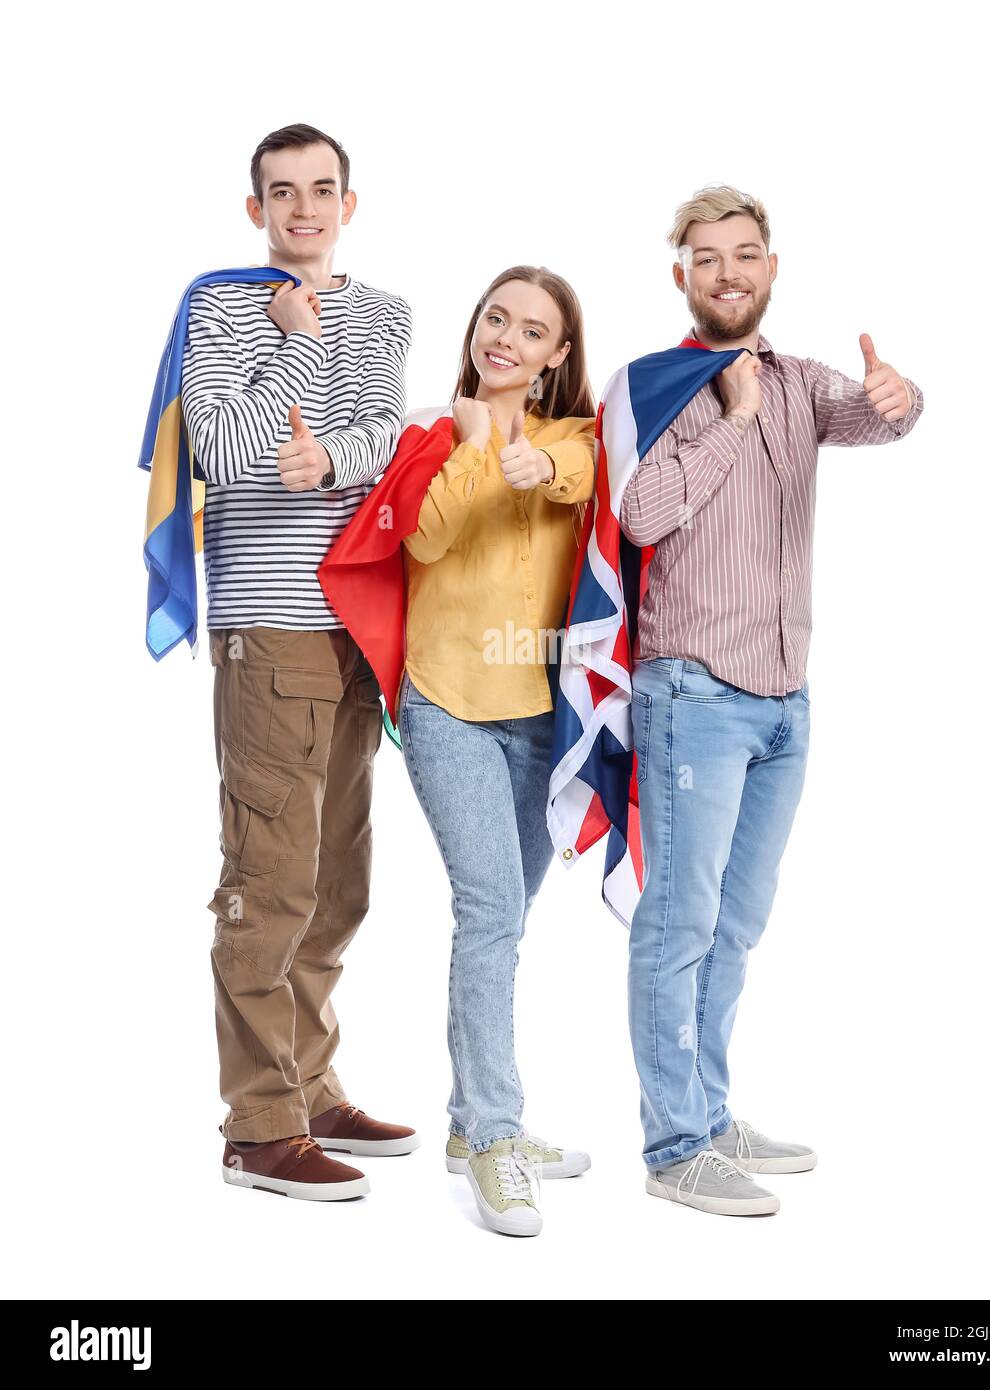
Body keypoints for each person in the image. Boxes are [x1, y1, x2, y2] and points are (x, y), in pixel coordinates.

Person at [619, 185, 924, 1216]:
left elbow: (877, 420)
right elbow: (642, 513)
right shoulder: (658, 388)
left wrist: (900, 399)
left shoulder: (803, 381)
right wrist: (726, 423)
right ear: (683, 278)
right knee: (680, 921)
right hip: (692, 691)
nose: (728, 272)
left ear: (771, 267)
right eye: (706, 258)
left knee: (738, 920)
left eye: (744, 254)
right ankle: (673, 1145)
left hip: (785, 699)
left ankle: (708, 1112)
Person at [183, 122, 419, 1202]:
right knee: (269, 880)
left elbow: (390, 435)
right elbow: (221, 452)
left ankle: (312, 1085)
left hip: (357, 623)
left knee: (336, 883)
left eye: (323, 190)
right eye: (283, 193)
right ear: (256, 210)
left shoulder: (385, 314)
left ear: (349, 203)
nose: (305, 210)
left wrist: (329, 455)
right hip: (266, 627)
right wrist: (292, 341)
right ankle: (259, 1124)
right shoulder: (222, 307)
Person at [398, 267, 597, 1236]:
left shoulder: (577, 443)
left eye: (531, 330)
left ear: (560, 353)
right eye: (494, 319)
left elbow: (586, 479)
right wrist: (478, 447)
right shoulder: (435, 435)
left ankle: (468, 1119)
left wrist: (533, 464)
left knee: (503, 919)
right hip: (446, 706)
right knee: (487, 911)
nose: (506, 338)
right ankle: (498, 1135)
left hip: (537, 722)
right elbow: (427, 542)